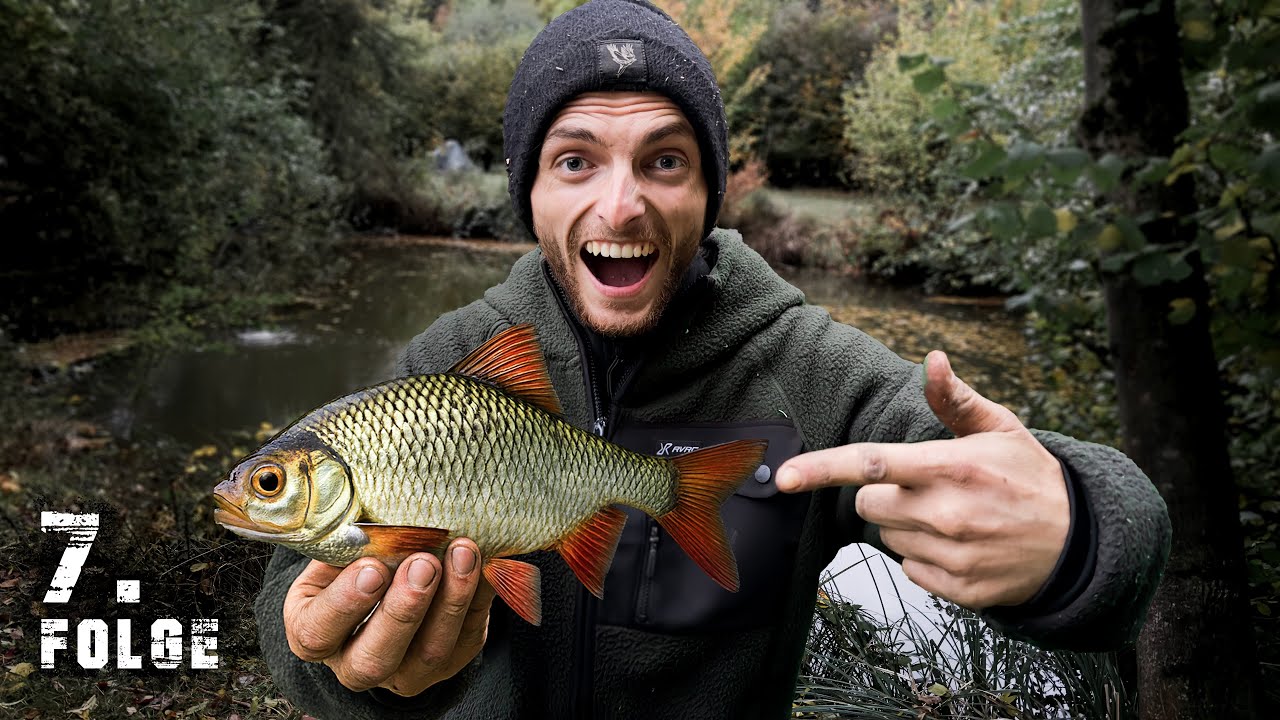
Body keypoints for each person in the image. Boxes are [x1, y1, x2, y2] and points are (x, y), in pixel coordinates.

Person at [253, 1, 1171, 717]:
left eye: (664, 161)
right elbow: (285, 604)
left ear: (710, 190)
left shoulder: (808, 369)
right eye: (575, 162)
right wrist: (352, 673)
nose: (620, 207)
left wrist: (1078, 533)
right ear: (527, 192)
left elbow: (1061, 500)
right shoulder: (447, 362)